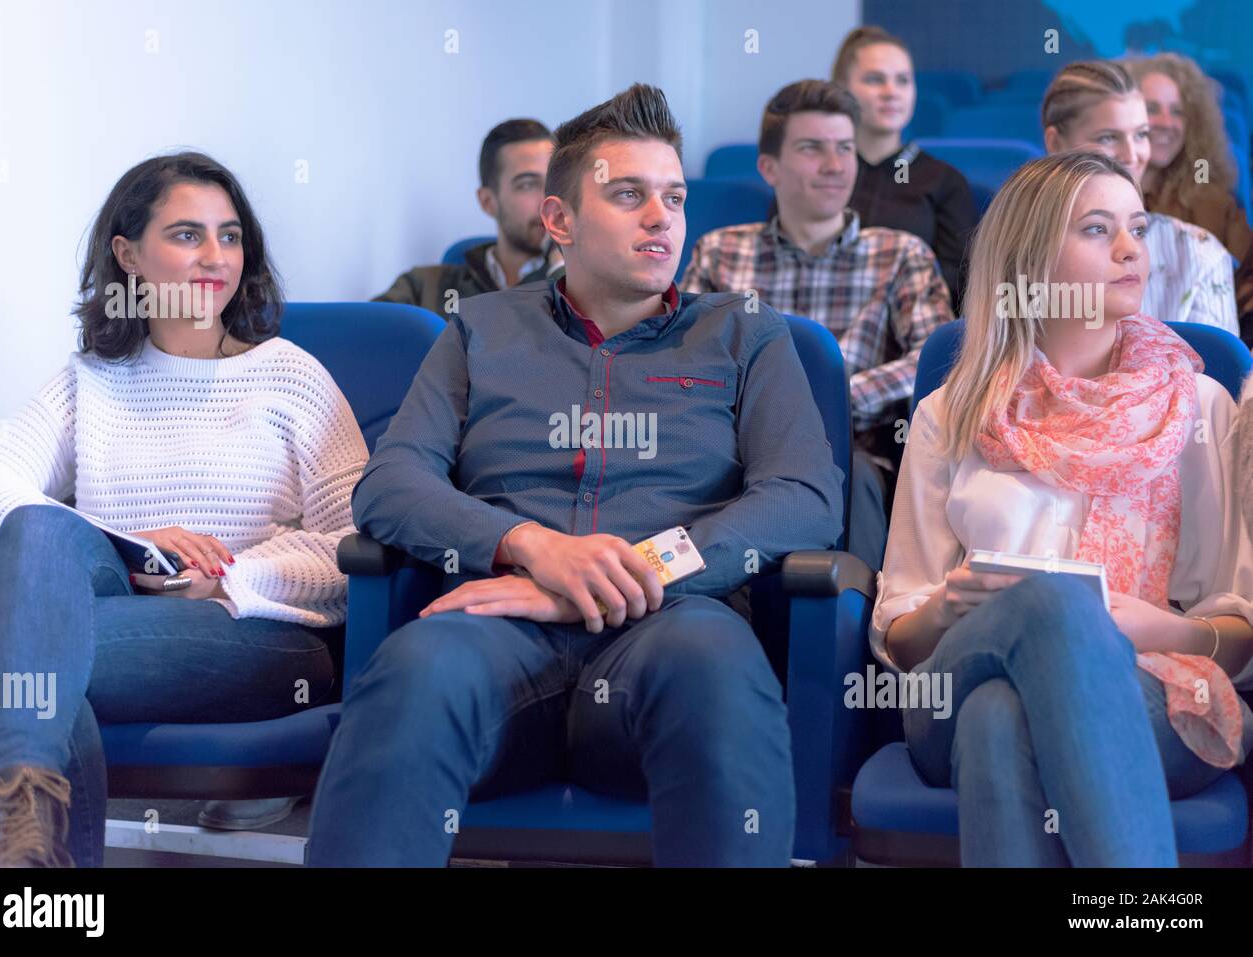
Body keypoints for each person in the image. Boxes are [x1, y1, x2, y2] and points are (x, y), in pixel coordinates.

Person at [307, 84, 844, 867]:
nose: (661, 217)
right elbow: (390, 484)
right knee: (415, 670)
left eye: (674, 197)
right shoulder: (479, 328)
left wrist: (623, 573)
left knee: (719, 671)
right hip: (499, 644)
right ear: (558, 220)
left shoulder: (744, 332)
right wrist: (530, 545)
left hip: (671, 631)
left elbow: (803, 499)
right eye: (628, 195)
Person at [0, 152, 368, 866]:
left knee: (39, 674)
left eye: (230, 236)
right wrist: (129, 544)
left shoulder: (291, 375)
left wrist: (231, 575)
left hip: (256, 631)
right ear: (127, 254)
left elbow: (357, 543)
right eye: (187, 235)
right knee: (35, 526)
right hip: (123, 615)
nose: (215, 257)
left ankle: (36, 885)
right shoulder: (90, 381)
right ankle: (29, 836)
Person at [874, 150, 1253, 866]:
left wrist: (1159, 627)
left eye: (1136, 228)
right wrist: (948, 608)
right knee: (1044, 613)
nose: (1128, 249)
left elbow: (1240, 632)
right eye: (1096, 229)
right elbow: (900, 637)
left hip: (1153, 693)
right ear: (1030, 259)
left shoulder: (1197, 408)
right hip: (954, 683)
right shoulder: (948, 414)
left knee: (998, 721)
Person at [680, 79, 953, 570]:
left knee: (857, 481)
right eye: (812, 149)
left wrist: (840, 397)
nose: (834, 165)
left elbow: (938, 359)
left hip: (849, 450)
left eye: (845, 149)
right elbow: (686, 358)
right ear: (769, 167)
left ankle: (853, 630)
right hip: (735, 447)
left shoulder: (900, 253)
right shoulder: (719, 251)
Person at [1041, 60, 1239, 335]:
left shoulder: (1200, 254)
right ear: (1055, 143)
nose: (1133, 155)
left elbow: (1212, 372)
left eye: (1141, 134)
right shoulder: (1014, 246)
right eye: (1109, 137)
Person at [831, 25, 978, 309]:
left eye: (902, 80)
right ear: (842, 89)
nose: (891, 92)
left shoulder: (944, 181)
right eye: (875, 79)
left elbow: (964, 284)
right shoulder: (817, 174)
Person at [372, 118, 563, 317]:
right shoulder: (424, 288)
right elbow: (354, 341)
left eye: (554, 182)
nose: (548, 199)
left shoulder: (576, 285)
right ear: (488, 201)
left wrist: (562, 272)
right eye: (527, 185)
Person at [1126, 52, 1253, 343]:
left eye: (1178, 112)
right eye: (1152, 108)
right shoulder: (1092, 198)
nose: (1167, 122)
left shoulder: (1213, 203)